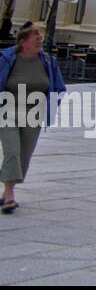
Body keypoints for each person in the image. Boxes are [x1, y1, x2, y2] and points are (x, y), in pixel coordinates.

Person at [0, 25, 68, 213]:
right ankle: (9, 195)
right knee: (12, 151)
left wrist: (51, 107)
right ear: (23, 42)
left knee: (24, 156)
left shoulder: (48, 61)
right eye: (35, 38)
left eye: (41, 38)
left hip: (34, 115)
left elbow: (59, 87)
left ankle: (7, 189)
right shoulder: (6, 59)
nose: (40, 41)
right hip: (7, 111)